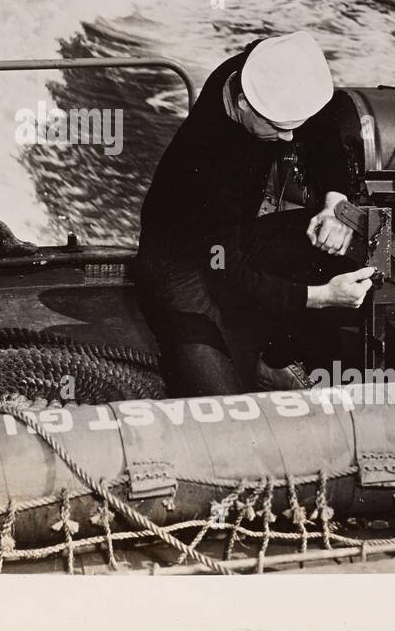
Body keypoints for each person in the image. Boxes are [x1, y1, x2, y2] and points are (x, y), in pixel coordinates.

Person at [136, 32, 374, 396]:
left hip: (235, 236)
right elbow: (227, 276)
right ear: (244, 103)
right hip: (179, 268)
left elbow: (320, 125)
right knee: (225, 409)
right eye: (278, 127)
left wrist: (334, 205)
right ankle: (246, 360)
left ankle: (275, 359)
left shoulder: (261, 70)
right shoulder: (209, 164)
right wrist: (323, 296)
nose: (289, 138)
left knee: (340, 243)